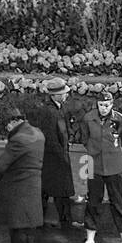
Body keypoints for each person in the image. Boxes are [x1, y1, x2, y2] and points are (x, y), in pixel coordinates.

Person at [74, 91, 122, 243]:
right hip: (93, 164)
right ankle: (89, 241)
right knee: (93, 202)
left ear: (112, 105)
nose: (104, 108)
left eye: (107, 105)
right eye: (101, 105)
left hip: (114, 166)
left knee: (117, 203)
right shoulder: (88, 118)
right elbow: (84, 138)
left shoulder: (119, 119)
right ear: (97, 104)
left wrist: (114, 154)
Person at [0, 108, 46, 243]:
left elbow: (0, 166)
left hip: (16, 187)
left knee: (17, 226)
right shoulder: (38, 134)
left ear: (15, 121)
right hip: (33, 186)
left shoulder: (19, 139)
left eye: (8, 124)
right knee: (29, 224)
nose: (7, 127)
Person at [34, 77, 75, 230]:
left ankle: (58, 219)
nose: (66, 95)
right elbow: (50, 136)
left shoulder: (58, 108)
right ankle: (62, 220)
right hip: (53, 157)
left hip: (56, 155)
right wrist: (61, 154)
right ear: (55, 95)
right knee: (55, 189)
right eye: (64, 93)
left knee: (52, 189)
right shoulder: (49, 111)